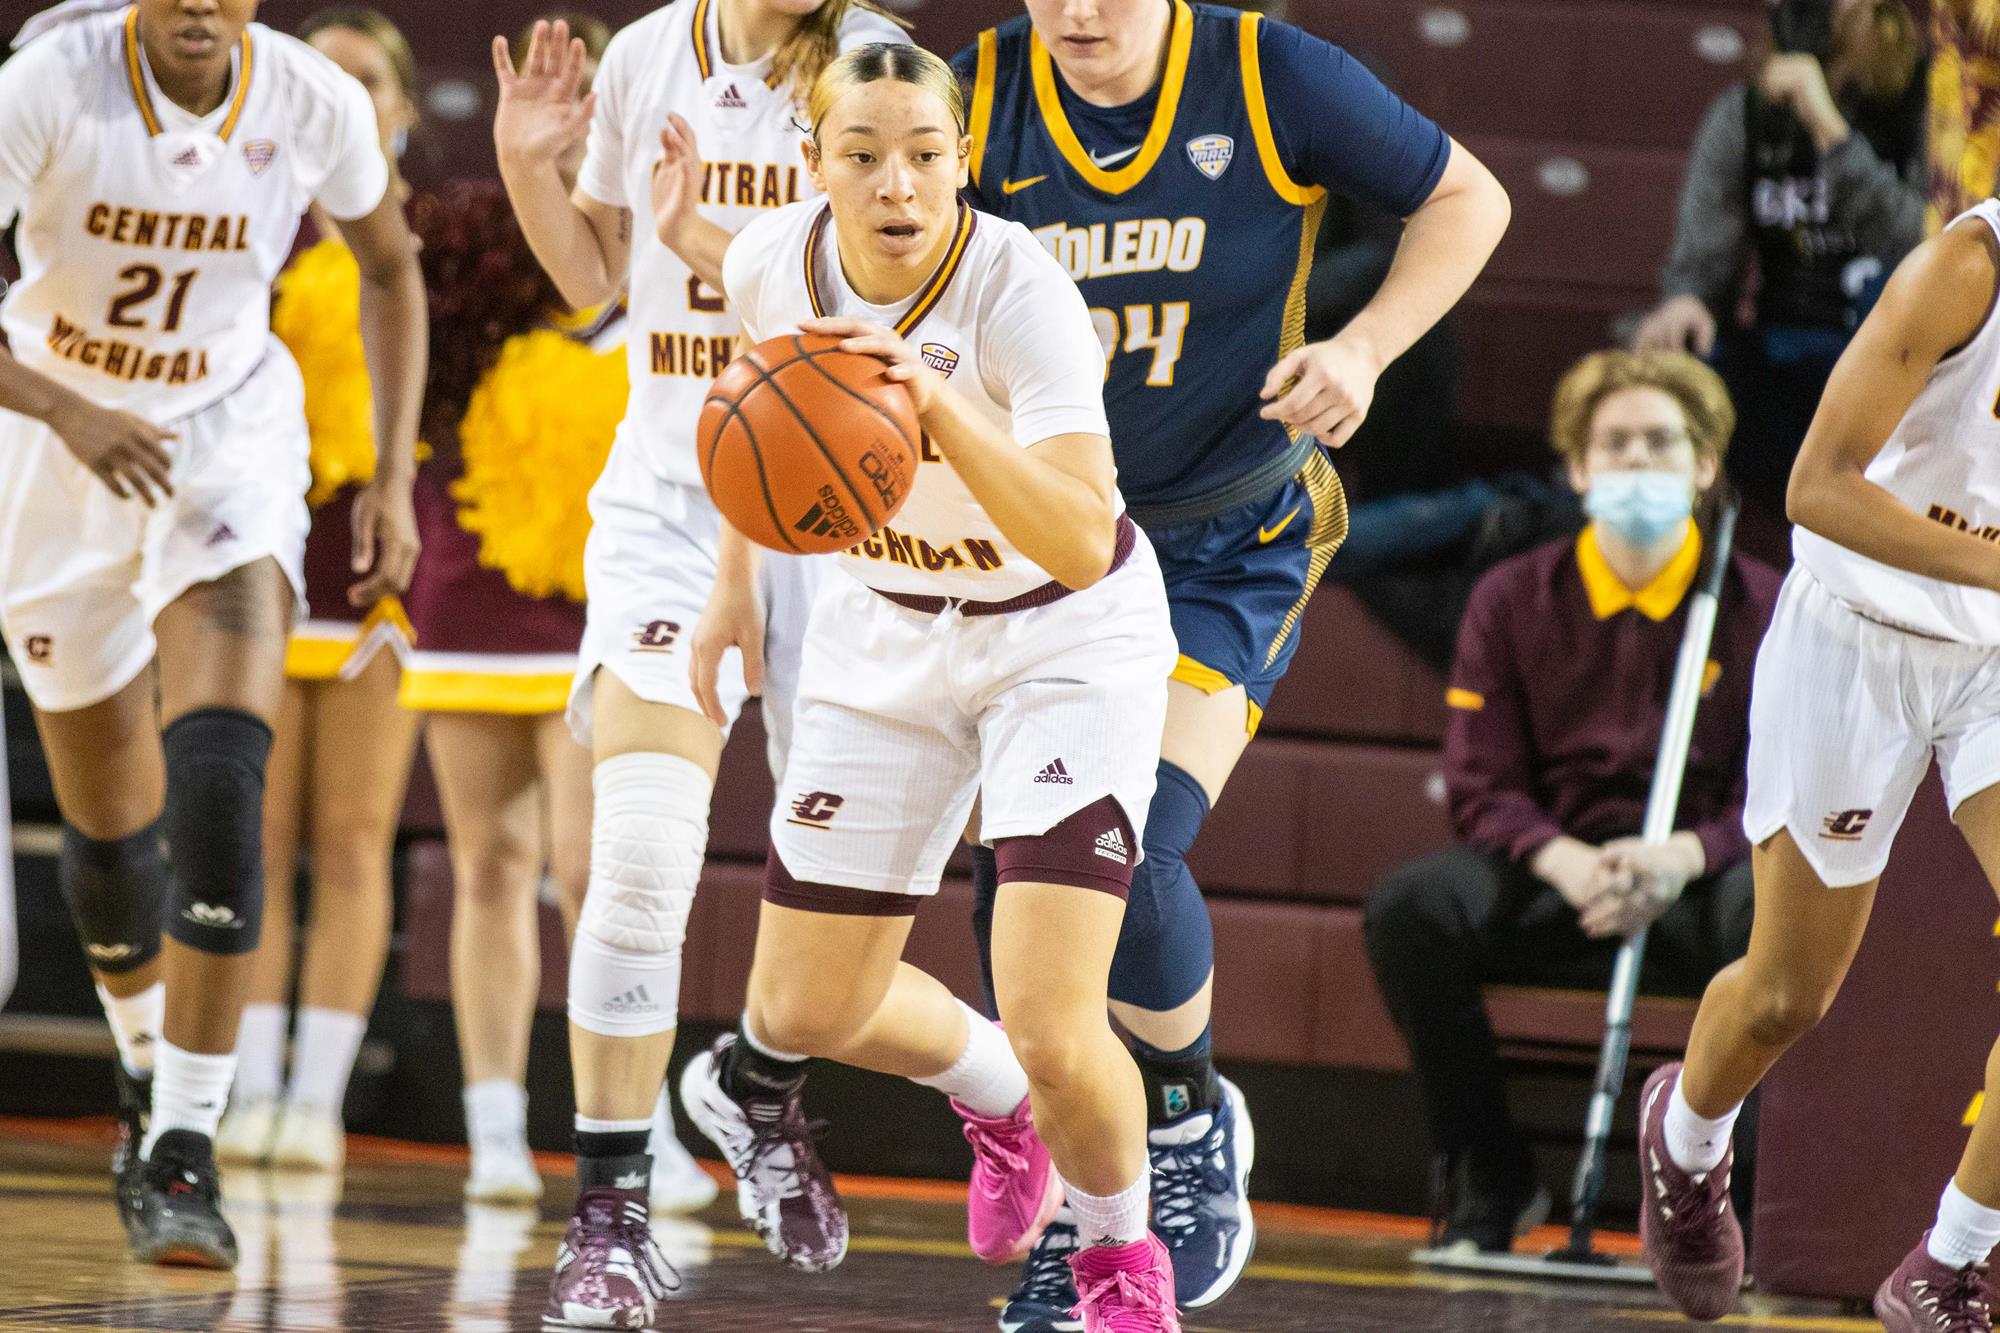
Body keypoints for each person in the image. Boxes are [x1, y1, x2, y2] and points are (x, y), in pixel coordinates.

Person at [955, 0, 1509, 1318]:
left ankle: (1194, 1119)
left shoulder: (1267, 76)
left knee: (1128, 841)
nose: (1080, 13)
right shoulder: (973, 97)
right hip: (1053, 543)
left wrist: (1365, 348)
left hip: (1227, 540)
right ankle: (1096, 1213)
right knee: (1020, 890)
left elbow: (1469, 199)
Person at [666, 41, 1182, 1333]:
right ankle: (1005, 1103)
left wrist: (936, 410)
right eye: (863, 155)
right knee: (802, 1006)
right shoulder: (768, 262)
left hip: (1060, 636)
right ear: (813, 165)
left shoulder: (1024, 296)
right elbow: (756, 423)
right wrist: (736, 585)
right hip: (884, 626)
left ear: (964, 158)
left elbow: (1074, 532)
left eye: (925, 154)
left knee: (1065, 1023)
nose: (897, 184)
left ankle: (1119, 1259)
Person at [490, 0, 907, 1320]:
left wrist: (706, 244)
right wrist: (524, 166)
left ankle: (762, 1090)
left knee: (841, 916)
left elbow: (897, 298)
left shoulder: (882, 64)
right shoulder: (646, 53)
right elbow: (594, 278)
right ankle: (608, 1214)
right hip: (675, 501)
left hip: (843, 514)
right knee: (640, 855)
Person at [0, 0, 424, 1268]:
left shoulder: (310, 99)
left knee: (223, 792)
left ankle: (186, 1144)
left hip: (224, 447)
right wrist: (65, 411)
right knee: (112, 843)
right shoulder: (45, 86)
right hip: (51, 449)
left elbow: (391, 268)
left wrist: (394, 477)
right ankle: (147, 1079)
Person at [1636, 193, 2000, 1331]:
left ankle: (1953, 1261)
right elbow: (1816, 488)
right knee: (1786, 993)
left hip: (1991, 654)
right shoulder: (1964, 267)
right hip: (1857, 628)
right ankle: (1686, 1138)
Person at [1363, 349, 1776, 1254]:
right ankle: (1492, 1180)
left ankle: (1728, 1200)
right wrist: (1567, 858)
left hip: (1699, 878)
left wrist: (1686, 856)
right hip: (1560, 871)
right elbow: (1480, 782)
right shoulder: (1512, 598)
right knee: (1414, 908)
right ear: (1579, 467)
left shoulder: (1764, 607)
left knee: (1778, 922)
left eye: (1662, 443)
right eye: (1615, 444)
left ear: (1705, 465)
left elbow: (1778, 790)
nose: (1637, 463)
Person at [216, 3, 425, 1177]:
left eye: (366, 82)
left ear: (395, 112)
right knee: (243, 830)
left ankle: (316, 1100)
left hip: (372, 572)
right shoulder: (241, 225)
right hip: (251, 549)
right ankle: (237, 1086)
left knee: (351, 841)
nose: (341, 95)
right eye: (323, 75)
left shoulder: (425, 250)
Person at [1632, 0, 1925, 488]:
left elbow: (1925, 246)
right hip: (1787, 345)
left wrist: (1828, 129)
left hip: (1903, 356)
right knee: (1681, 361)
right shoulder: (1745, 113)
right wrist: (1689, 301)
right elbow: (1702, 262)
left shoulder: (1922, 104)